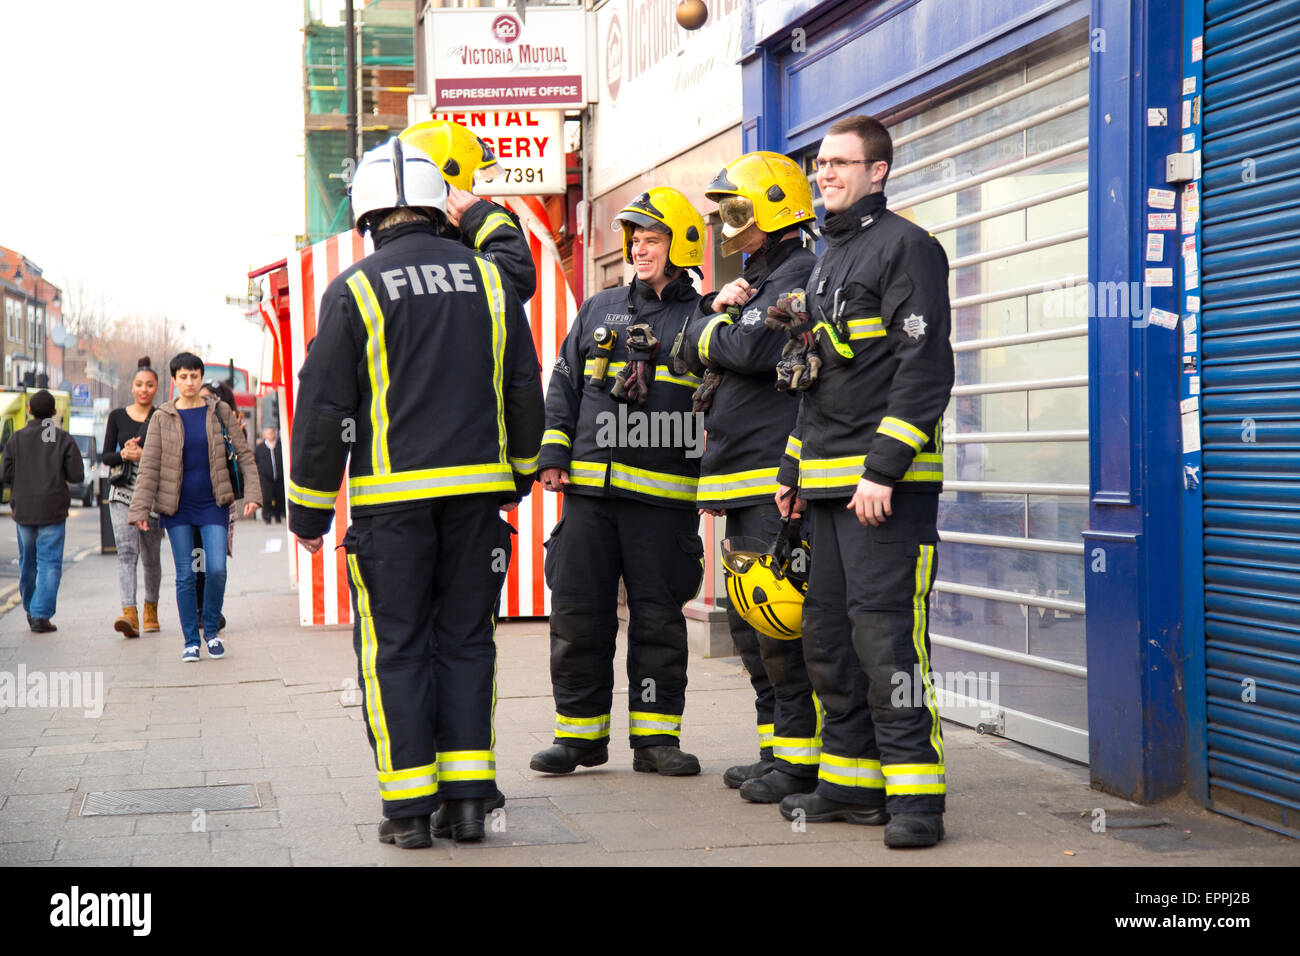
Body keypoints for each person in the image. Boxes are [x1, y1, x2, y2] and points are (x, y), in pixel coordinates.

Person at [288, 137, 543, 849]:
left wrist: (308, 509)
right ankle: (466, 806)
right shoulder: (493, 284)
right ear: (440, 212)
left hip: (391, 511)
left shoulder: (356, 291)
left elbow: (325, 407)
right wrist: (520, 473)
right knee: (466, 643)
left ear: (367, 218)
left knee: (396, 649)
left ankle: (407, 812)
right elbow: (522, 388)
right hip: (476, 506)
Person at [774, 115, 954, 848]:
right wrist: (792, 468)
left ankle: (917, 796)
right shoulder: (826, 257)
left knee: (886, 640)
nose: (827, 174)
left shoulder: (908, 248)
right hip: (824, 485)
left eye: (842, 164)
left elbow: (924, 370)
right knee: (830, 638)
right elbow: (812, 377)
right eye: (821, 164)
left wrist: (884, 470)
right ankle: (850, 783)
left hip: (884, 490)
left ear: (878, 171)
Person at [532, 187, 708, 778]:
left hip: (661, 501)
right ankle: (579, 737)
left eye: (651, 239)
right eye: (634, 240)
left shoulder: (703, 318)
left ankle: (655, 740)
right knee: (578, 614)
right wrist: (554, 451)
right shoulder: (599, 308)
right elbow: (562, 386)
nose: (639, 249)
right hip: (589, 496)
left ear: (679, 245)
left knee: (658, 619)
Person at [682, 151, 822, 803]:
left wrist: (713, 321)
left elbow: (747, 349)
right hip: (741, 479)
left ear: (772, 210)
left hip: (773, 477)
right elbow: (700, 346)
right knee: (749, 624)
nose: (726, 224)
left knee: (780, 625)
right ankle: (776, 751)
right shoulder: (757, 283)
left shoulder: (798, 273)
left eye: (736, 210)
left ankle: (802, 762)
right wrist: (719, 313)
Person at [128, 353, 260, 662]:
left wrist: (252, 493)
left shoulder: (219, 411)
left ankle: (211, 631)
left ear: (201, 379)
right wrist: (139, 510)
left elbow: (244, 453)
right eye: (183, 377)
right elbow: (149, 466)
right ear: (174, 381)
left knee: (216, 569)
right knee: (185, 575)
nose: (189, 382)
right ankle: (191, 641)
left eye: (194, 376)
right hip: (177, 507)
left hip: (213, 503)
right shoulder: (162, 416)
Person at [399, 119, 537, 302]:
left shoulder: (390, 249)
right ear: (450, 186)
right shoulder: (450, 251)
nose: (473, 195)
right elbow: (516, 276)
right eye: (471, 184)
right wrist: (478, 216)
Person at [1, 389, 83, 633]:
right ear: (54, 412)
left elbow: (4, 475)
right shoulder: (62, 438)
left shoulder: (15, 439)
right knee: (49, 563)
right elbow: (77, 475)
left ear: (28, 410)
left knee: (28, 561)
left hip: (24, 511)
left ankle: (31, 607)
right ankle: (40, 614)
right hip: (53, 510)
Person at [101, 359, 166, 637]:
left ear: (156, 388)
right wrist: (123, 454)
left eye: (149, 385)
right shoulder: (117, 416)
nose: (144, 389)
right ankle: (130, 614)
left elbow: (172, 455)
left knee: (151, 556)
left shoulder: (163, 415)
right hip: (122, 493)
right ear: (132, 387)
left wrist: (145, 454)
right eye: (139, 384)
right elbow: (104, 456)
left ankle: (151, 609)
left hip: (153, 493)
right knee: (126, 553)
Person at [255, 427, 284, 523]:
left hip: (279, 477)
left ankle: (278, 515)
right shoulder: (260, 448)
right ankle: (267, 516)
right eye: (268, 433)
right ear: (264, 435)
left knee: (279, 497)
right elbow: (256, 461)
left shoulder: (280, 446)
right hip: (266, 478)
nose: (271, 435)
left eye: (272, 433)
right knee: (267, 498)